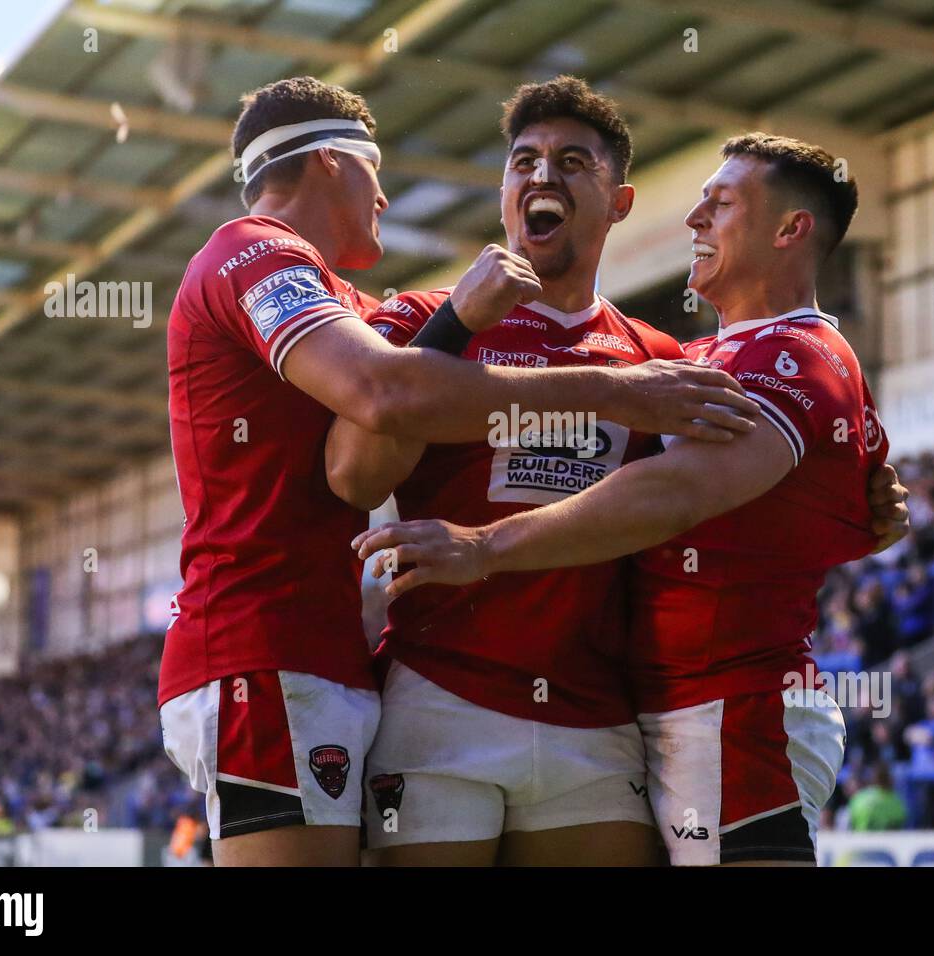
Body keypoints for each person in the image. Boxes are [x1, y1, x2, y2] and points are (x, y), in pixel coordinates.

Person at [159, 76, 762, 867]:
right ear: (340, 163)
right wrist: (600, 387)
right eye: (523, 162)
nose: (542, 177)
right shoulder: (355, 296)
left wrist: (856, 488)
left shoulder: (659, 360)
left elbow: (715, 487)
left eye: (573, 162)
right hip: (364, 681)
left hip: (558, 706)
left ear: (619, 201)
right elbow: (360, 459)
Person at [355, 131, 909, 866]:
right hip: (663, 710)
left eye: (722, 203)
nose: (696, 220)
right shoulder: (695, 360)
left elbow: (672, 493)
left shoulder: (798, 355)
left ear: (789, 228)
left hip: (738, 711)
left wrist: (483, 545)